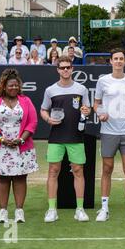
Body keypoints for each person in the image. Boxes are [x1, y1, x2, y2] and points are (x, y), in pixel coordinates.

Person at [0, 69, 39, 223]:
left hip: (22, 146)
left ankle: (19, 211)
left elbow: (32, 123)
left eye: (16, 85)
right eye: (10, 86)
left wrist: (21, 139)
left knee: (20, 178)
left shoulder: (26, 101)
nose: (14, 88)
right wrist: (1, 139)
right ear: (4, 86)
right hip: (0, 147)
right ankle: (3, 212)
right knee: (2, 179)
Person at [41, 56, 91, 222]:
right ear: (58, 70)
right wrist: (48, 119)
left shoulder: (81, 89)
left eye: (68, 67)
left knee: (78, 170)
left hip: (76, 136)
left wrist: (86, 111)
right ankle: (51, 210)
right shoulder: (50, 90)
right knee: (53, 171)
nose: (65, 70)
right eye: (62, 67)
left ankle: (80, 209)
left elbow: (87, 109)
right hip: (56, 137)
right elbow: (43, 110)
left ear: (72, 68)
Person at [94, 48, 125, 222]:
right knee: (107, 169)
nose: (119, 61)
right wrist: (100, 113)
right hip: (108, 131)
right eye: (116, 58)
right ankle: (104, 209)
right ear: (111, 61)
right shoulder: (103, 81)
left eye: (122, 58)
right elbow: (96, 103)